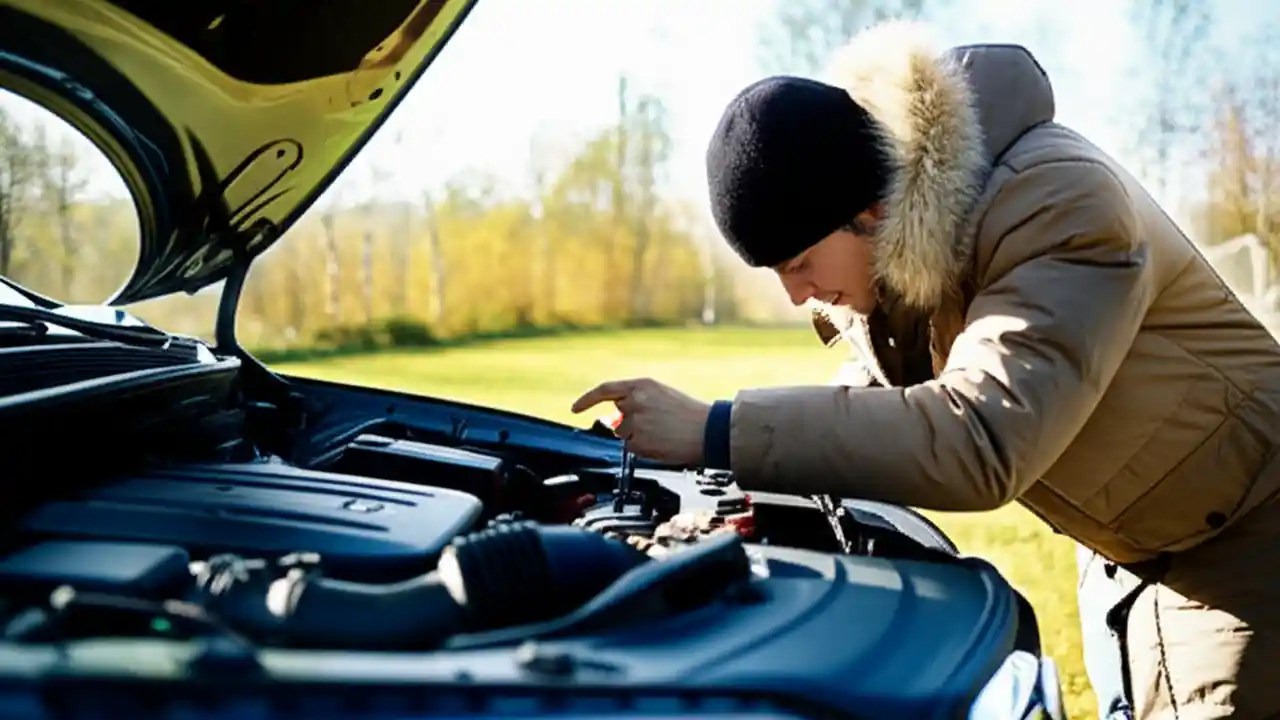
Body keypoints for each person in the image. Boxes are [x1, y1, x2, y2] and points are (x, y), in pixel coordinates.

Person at [570, 20, 1280, 720]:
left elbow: (979, 437)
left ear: (870, 213)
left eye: (799, 264)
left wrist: (718, 429)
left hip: (1243, 544)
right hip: (1125, 550)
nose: (795, 295)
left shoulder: (1059, 200)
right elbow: (884, 392)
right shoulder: (903, 244)